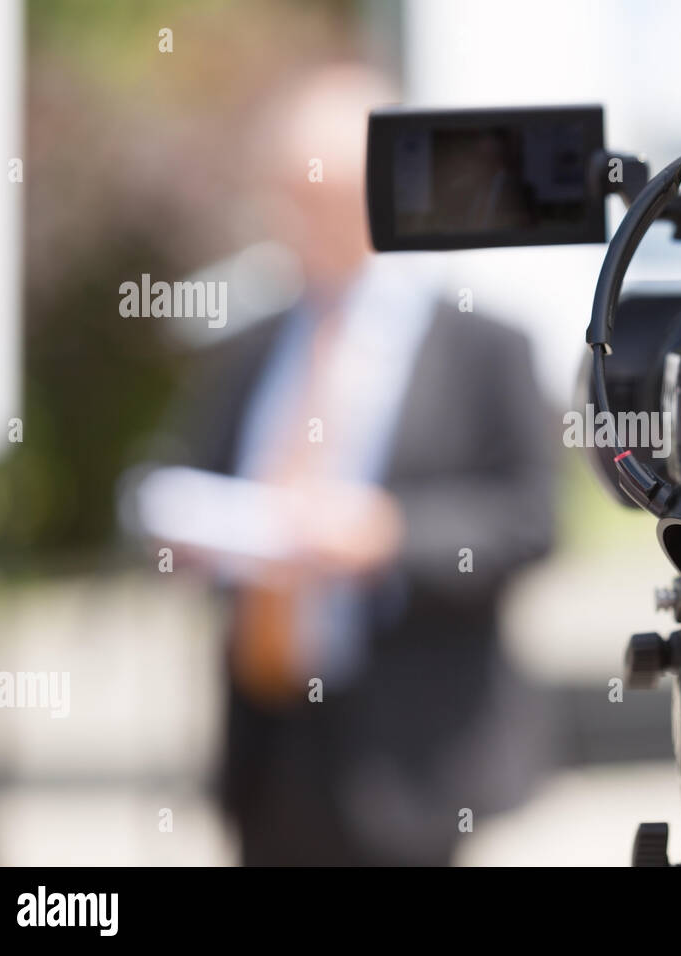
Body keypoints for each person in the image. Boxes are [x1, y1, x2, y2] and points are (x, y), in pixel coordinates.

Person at [152, 65, 554, 865]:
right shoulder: (252, 342)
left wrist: (389, 537)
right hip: (269, 744)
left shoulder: (481, 343)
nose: (300, 218)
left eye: (325, 195)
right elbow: (186, 476)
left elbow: (528, 521)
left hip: (410, 748)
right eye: (288, 194)